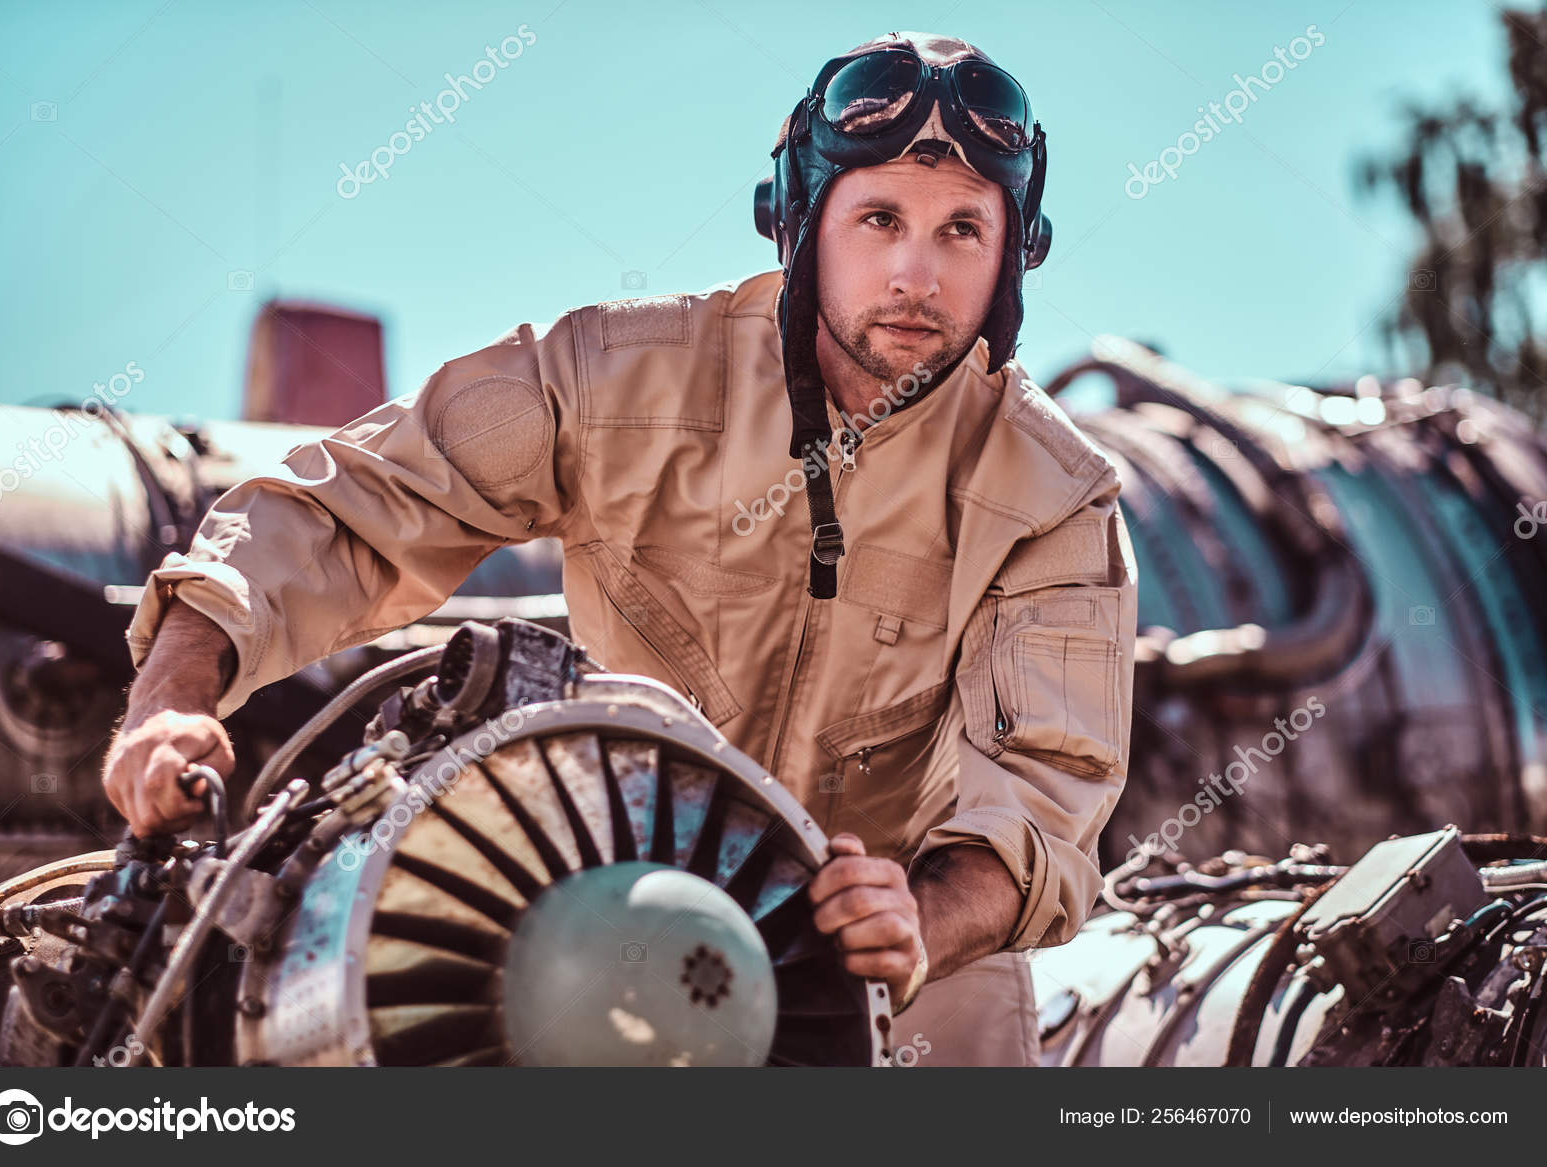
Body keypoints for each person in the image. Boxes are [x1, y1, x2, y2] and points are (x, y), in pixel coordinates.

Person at [103, 30, 1138, 1065]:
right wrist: (171, 703)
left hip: (903, 966)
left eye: (963, 229)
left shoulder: (1053, 494)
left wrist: (926, 917)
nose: (917, 273)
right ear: (801, 221)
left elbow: (1045, 792)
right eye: (879, 219)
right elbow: (348, 506)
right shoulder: (611, 377)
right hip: (601, 898)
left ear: (1016, 252)